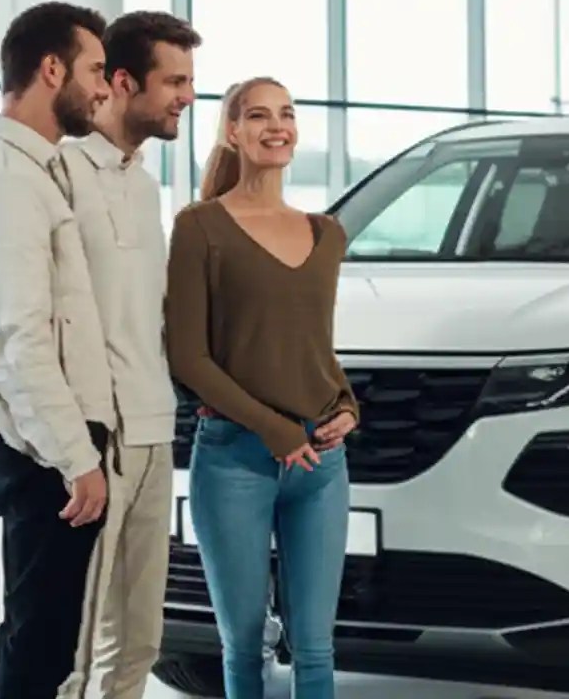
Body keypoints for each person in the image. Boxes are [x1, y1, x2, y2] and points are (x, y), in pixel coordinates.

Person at [0, 11, 202, 699]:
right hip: (97, 433)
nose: (188, 97)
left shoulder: (148, 183)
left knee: (140, 640)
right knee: (71, 641)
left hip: (155, 426)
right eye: (176, 81)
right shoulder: (55, 168)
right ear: (124, 82)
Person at [0, 1, 115, 699]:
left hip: (41, 433)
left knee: (33, 631)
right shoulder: (6, 178)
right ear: (51, 69)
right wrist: (78, 459)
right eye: (95, 70)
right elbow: (17, 335)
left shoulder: (22, 166)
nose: (104, 87)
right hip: (49, 448)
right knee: (42, 645)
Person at [164, 77, 359, 699]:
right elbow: (187, 355)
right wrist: (273, 430)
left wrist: (348, 405)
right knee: (244, 645)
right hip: (233, 461)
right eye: (257, 115)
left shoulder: (327, 233)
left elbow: (311, 347)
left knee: (317, 648)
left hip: (322, 463)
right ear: (232, 131)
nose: (276, 126)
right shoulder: (199, 227)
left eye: (287, 114)